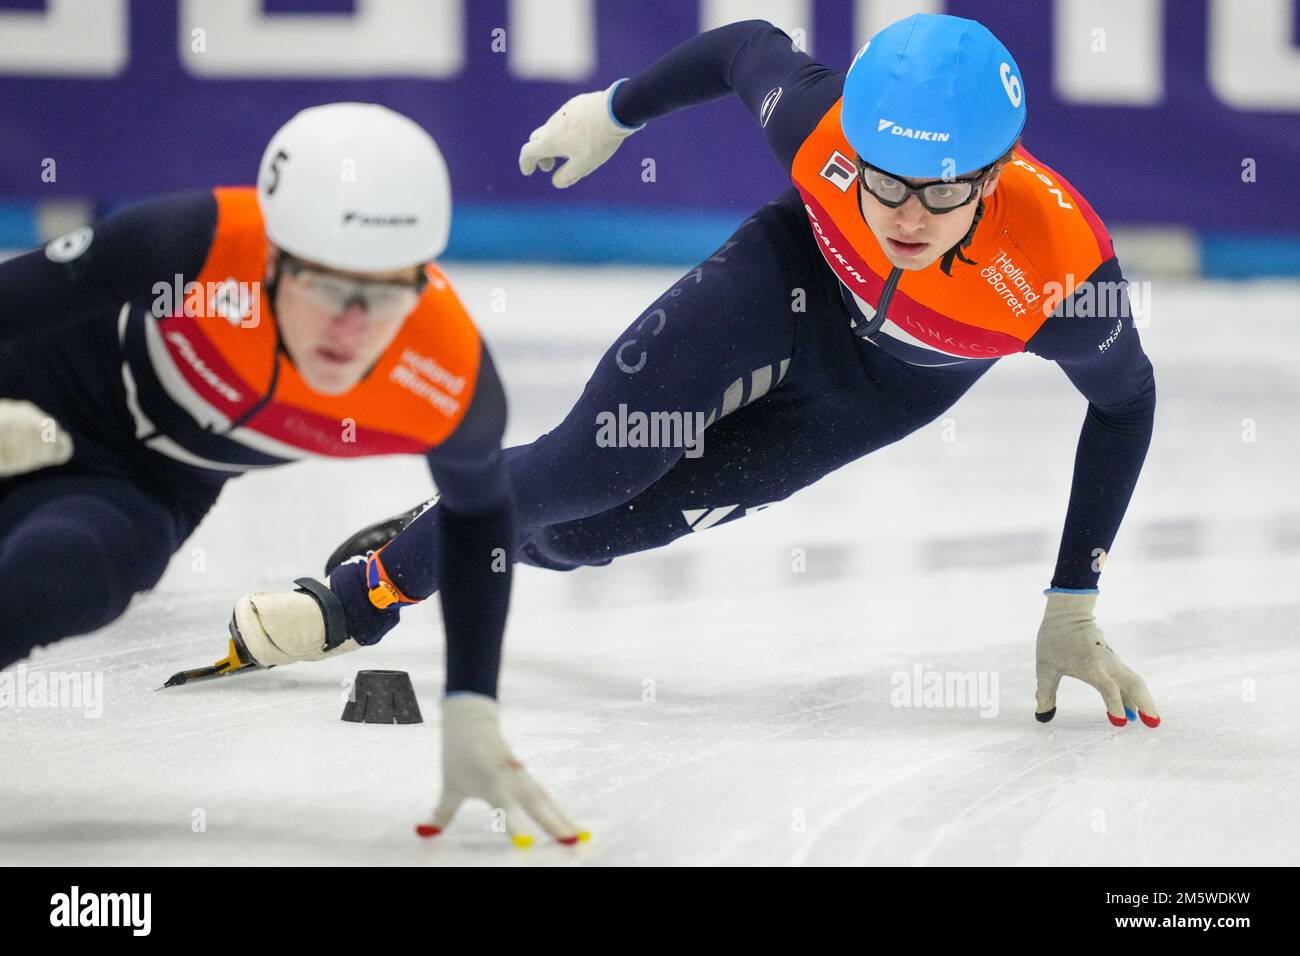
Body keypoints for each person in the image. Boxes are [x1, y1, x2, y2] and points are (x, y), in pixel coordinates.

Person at [320, 14, 1162, 730]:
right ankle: (372, 588)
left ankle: (453, 529)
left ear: (995, 173)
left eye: (942, 192)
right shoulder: (819, 123)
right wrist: (613, 113)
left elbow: (1126, 402)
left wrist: (1072, 600)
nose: (907, 217)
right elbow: (744, 47)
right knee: (595, 465)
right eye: (884, 181)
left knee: (587, 534)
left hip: (878, 393)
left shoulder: (1062, 275)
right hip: (786, 278)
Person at [0, 102, 584, 846]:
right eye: (327, 288)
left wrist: (472, 706)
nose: (352, 326)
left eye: (385, 294)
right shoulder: (198, 243)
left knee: (64, 573)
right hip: (30, 386)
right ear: (272, 261)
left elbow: (479, 516)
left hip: (142, 486)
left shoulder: (446, 376)